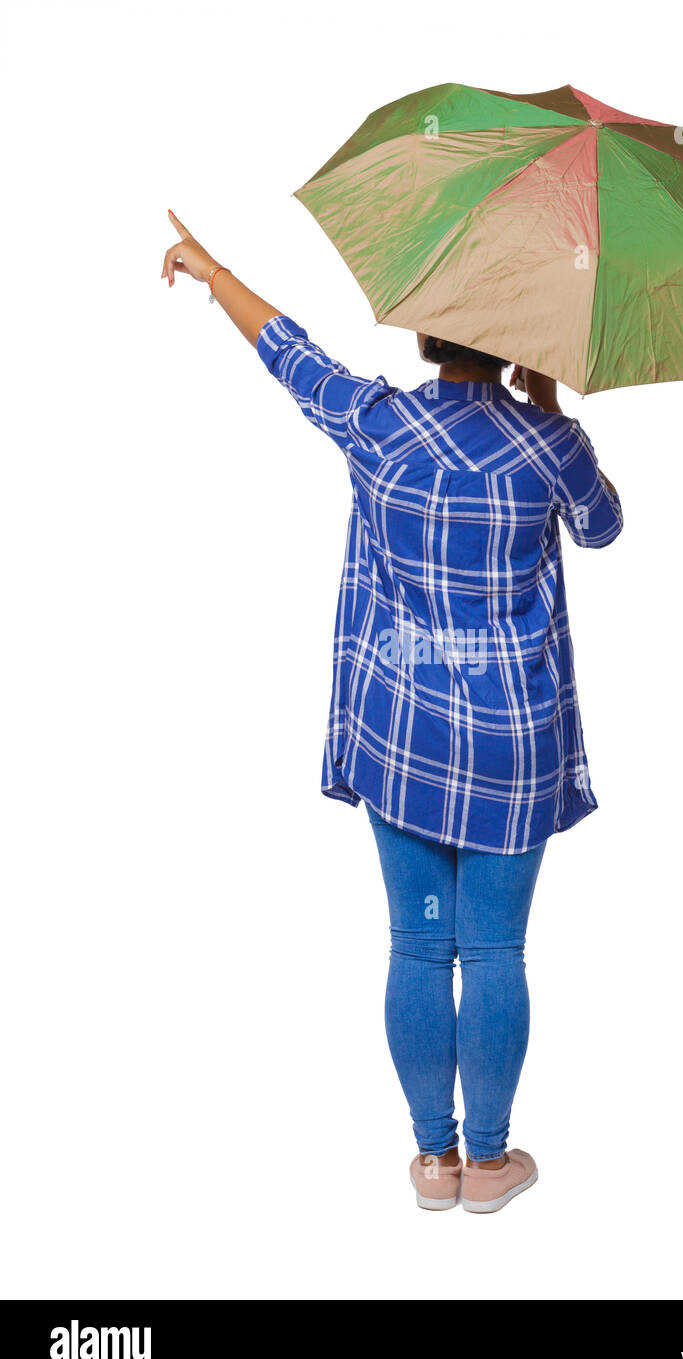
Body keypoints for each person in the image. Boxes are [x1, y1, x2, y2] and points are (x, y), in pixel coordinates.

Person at [162, 211, 623, 1213]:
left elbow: (289, 353)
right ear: (515, 338)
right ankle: (492, 1167)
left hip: (401, 735)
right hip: (512, 743)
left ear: (421, 332)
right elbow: (603, 528)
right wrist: (541, 404)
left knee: (419, 940)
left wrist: (215, 269)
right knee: (494, 946)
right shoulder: (551, 444)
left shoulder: (374, 420)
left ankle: (431, 1163)